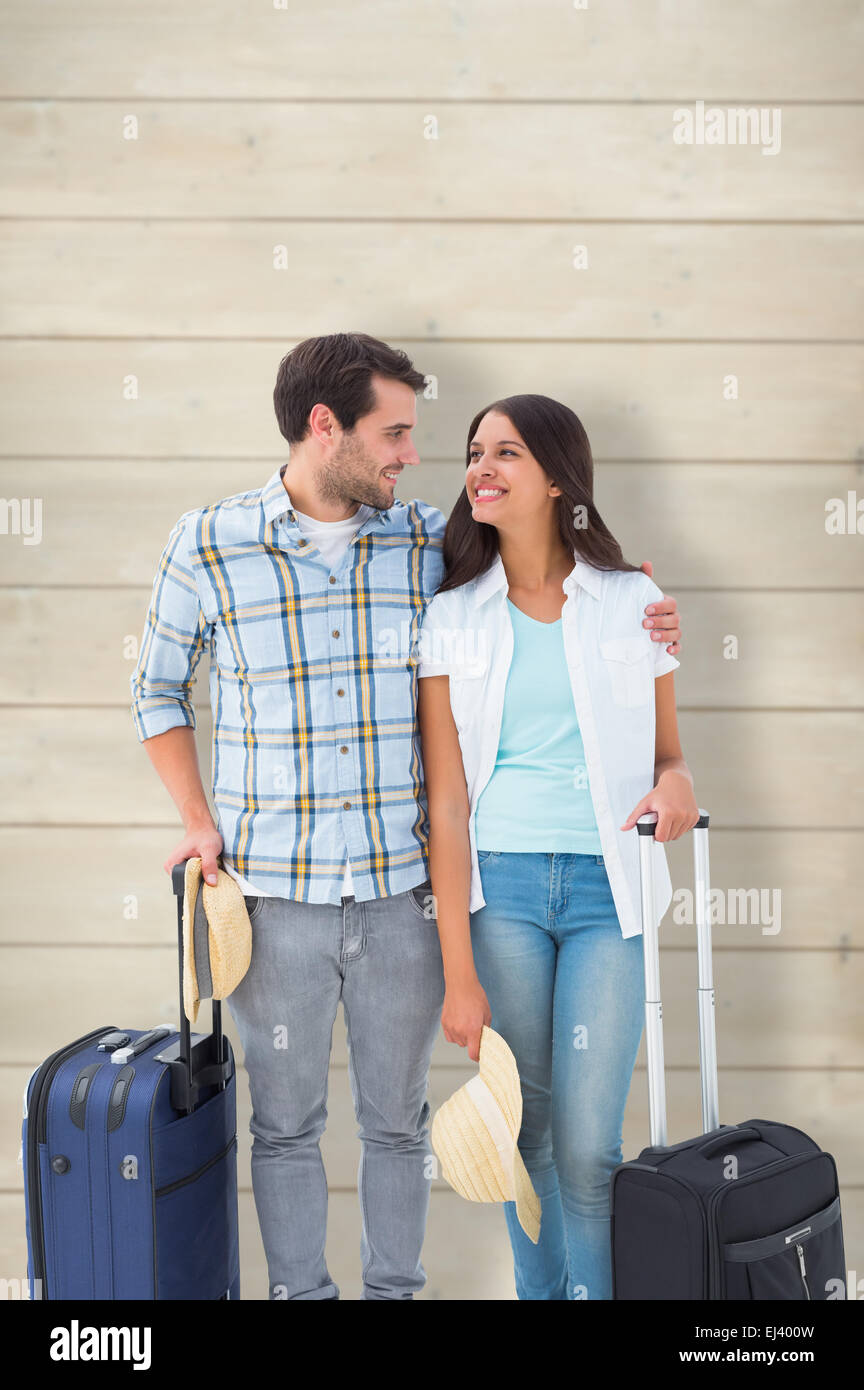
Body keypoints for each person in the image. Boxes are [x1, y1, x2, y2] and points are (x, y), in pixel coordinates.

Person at [130, 334, 682, 1300]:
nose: (412, 457)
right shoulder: (208, 542)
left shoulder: (422, 540)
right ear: (323, 426)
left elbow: (543, 563)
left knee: (401, 1125)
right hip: (275, 896)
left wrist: (630, 593)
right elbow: (156, 694)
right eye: (394, 434)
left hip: (403, 897)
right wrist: (197, 819)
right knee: (285, 1127)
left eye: (430, 440)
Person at [416, 393, 699, 1301]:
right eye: (474, 452)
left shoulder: (632, 601)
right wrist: (458, 972)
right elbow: (448, 803)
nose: (481, 468)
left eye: (505, 452)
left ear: (556, 479)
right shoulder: (451, 615)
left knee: (588, 1147)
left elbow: (669, 756)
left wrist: (679, 788)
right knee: (523, 1135)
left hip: (606, 894)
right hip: (498, 895)